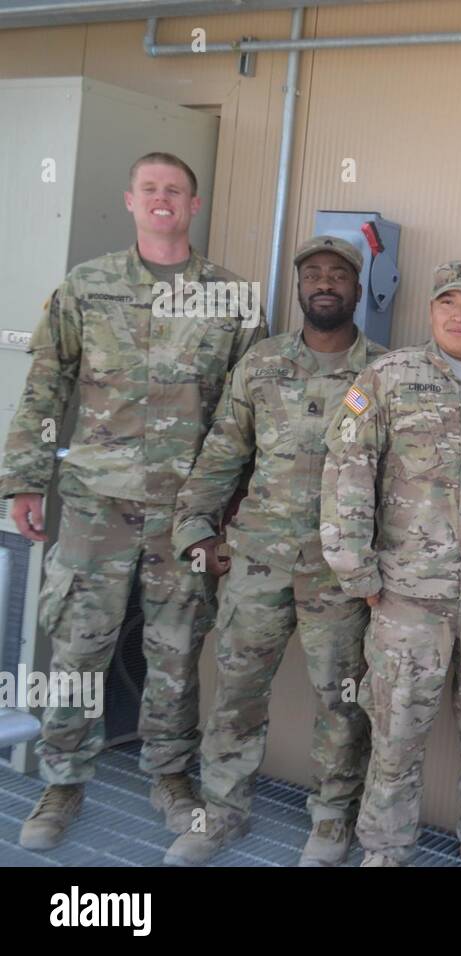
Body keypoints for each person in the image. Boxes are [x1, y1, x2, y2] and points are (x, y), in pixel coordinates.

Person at [3, 152, 266, 850]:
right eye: (150, 189)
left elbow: (253, 414)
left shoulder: (232, 297)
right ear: (129, 200)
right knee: (77, 651)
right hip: (95, 507)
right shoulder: (85, 288)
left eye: (174, 191)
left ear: (194, 204)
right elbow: (45, 388)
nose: (162, 200)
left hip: (187, 514)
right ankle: (62, 785)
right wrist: (25, 481)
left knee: (176, 653)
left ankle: (171, 779)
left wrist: (234, 508)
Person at [163, 235, 385, 866]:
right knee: (236, 691)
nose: (323, 283)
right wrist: (194, 533)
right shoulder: (260, 365)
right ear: (298, 286)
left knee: (341, 700)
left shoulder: (383, 374)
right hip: (255, 561)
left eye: (337, 274)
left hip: (338, 574)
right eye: (311, 273)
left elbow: (397, 481)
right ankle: (220, 813)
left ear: (356, 287)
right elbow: (220, 458)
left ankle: (332, 819)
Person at [321, 260, 461, 867]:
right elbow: (347, 470)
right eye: (447, 302)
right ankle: (386, 849)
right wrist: (357, 572)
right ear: (431, 310)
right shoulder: (386, 377)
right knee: (396, 735)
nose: (460, 315)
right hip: (407, 597)